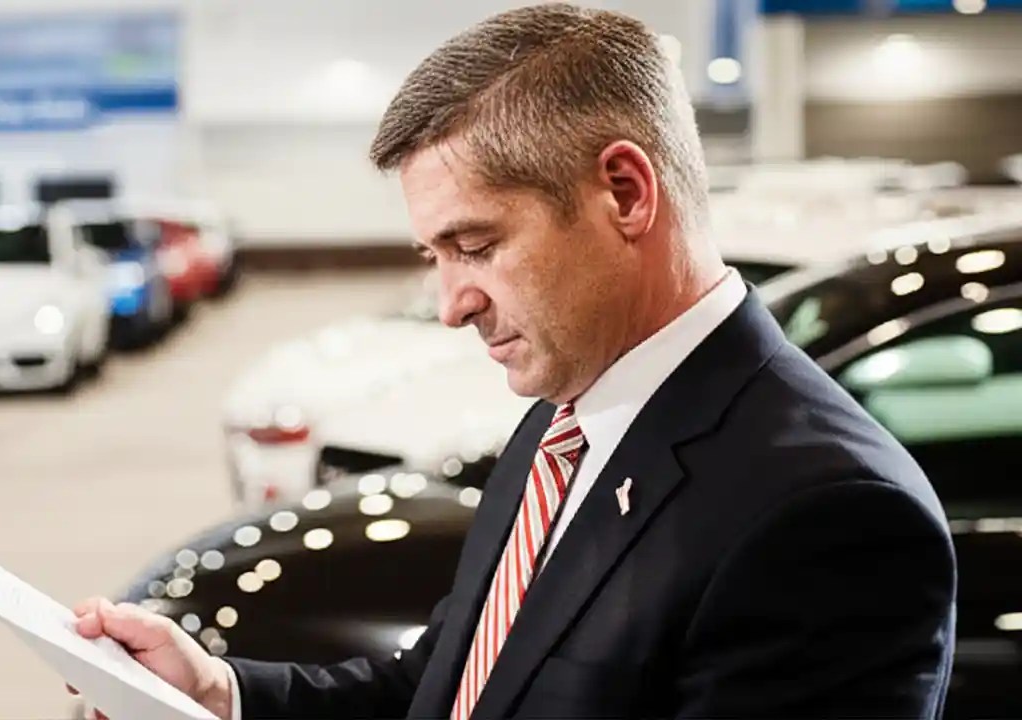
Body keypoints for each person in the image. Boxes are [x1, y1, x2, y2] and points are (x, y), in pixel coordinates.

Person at [71, 4, 956, 718]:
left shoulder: (829, 518)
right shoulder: (565, 423)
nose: (453, 304)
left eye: (476, 245)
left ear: (625, 193)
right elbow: (449, 686)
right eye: (435, 257)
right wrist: (222, 696)